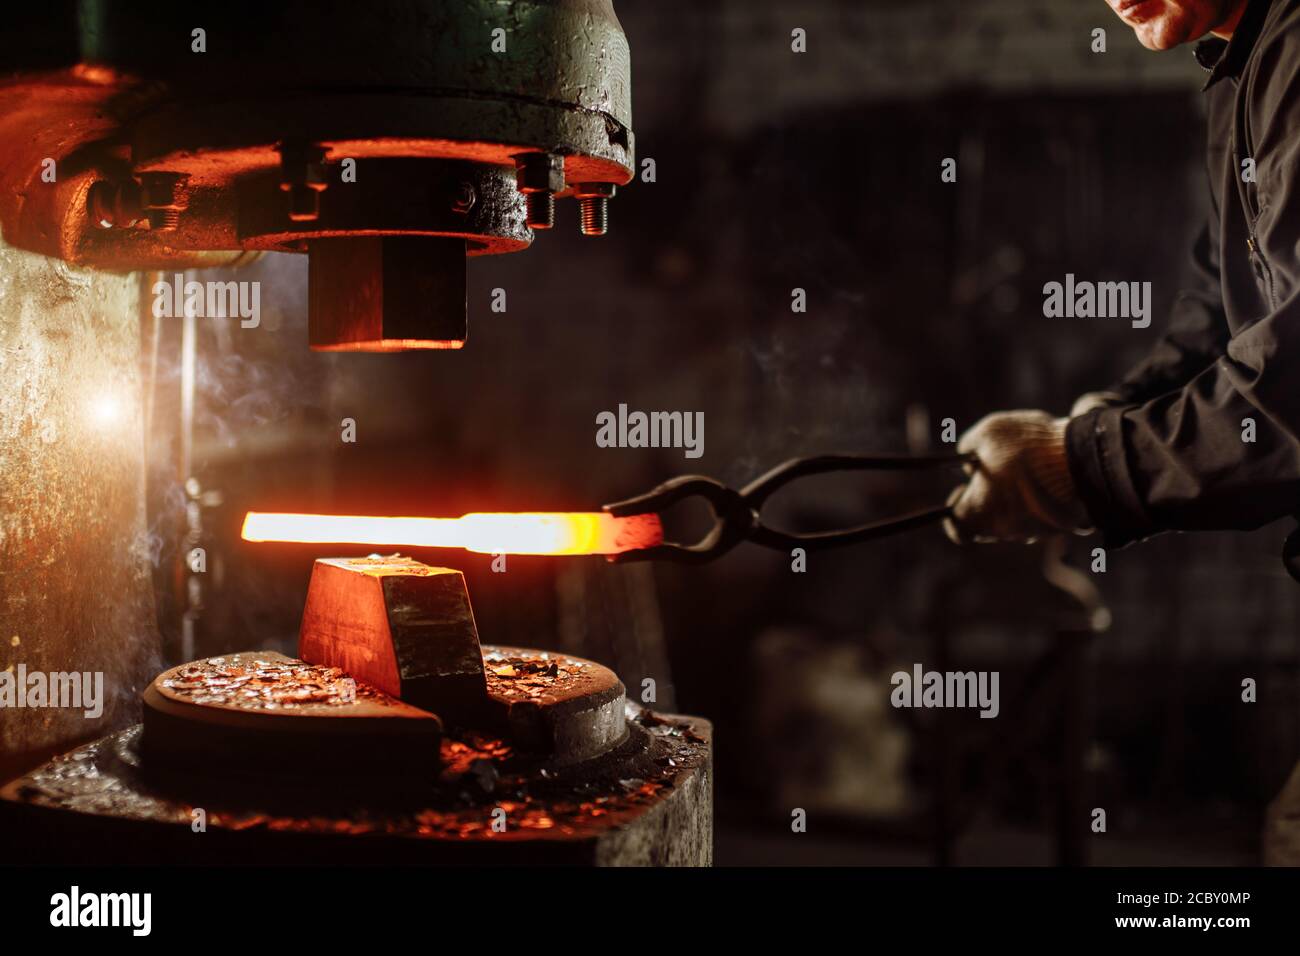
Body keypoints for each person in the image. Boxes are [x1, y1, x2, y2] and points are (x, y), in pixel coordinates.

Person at [944, 0, 1300, 864]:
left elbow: (1294, 386)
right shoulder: (1239, 70)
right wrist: (1092, 426)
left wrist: (1073, 467)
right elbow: (1222, 312)